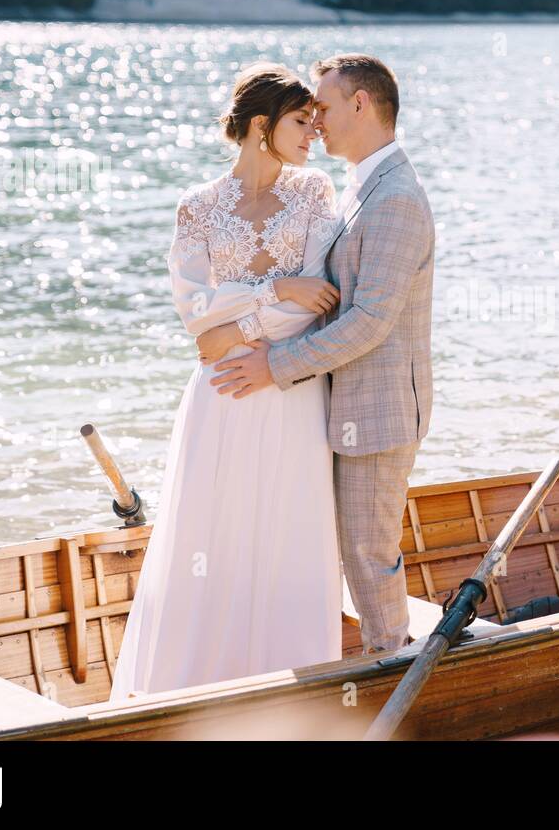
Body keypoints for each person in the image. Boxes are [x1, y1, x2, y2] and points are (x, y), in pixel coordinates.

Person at [109, 62, 346, 699]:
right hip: (221, 400)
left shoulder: (315, 193)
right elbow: (196, 320)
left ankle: (293, 701)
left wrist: (240, 320)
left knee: (288, 537)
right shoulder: (198, 209)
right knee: (209, 539)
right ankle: (189, 697)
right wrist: (275, 290)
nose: (315, 133)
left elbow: (316, 302)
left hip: (290, 394)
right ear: (262, 127)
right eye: (303, 121)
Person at [209, 54, 435, 654]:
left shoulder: (396, 200)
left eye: (326, 110)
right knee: (347, 548)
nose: (317, 124)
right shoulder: (364, 185)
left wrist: (273, 366)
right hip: (339, 405)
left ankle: (391, 669)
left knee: (367, 552)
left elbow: (369, 323)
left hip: (379, 410)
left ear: (361, 104)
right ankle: (361, 663)